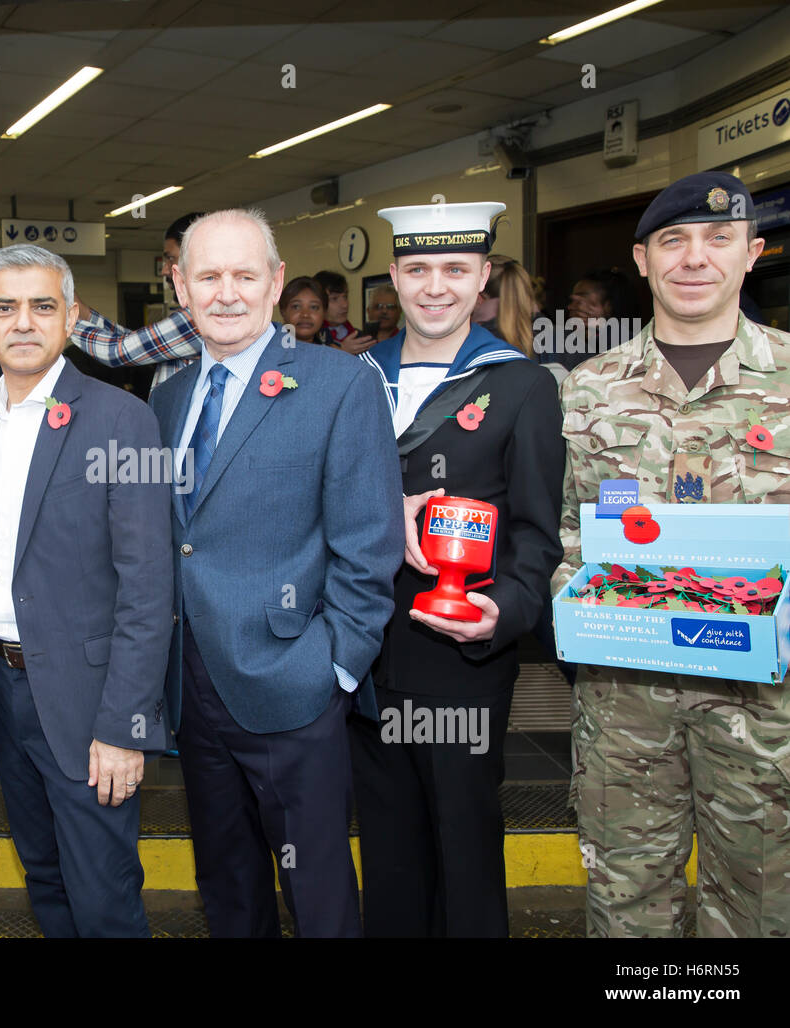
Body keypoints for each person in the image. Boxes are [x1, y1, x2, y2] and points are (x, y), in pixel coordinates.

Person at [150, 209, 403, 937]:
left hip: (294, 687)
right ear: (181, 287)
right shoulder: (168, 397)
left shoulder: (337, 385)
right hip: (192, 688)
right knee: (227, 885)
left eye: (244, 274)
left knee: (318, 894)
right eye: (207, 276)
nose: (226, 293)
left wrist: (335, 667)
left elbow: (369, 542)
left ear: (276, 281)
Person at [555, 170, 790, 938]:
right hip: (626, 702)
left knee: (763, 905)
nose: (696, 258)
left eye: (718, 239)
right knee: (627, 902)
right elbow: (564, 534)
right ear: (644, 260)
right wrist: (576, 601)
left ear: (752, 253)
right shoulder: (589, 391)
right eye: (673, 242)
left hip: (766, 712)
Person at [0, 244, 172, 937]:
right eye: (5, 308)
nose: (23, 322)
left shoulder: (119, 419)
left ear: (70, 318)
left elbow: (149, 587)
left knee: (102, 896)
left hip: (89, 701)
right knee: (43, 876)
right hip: (4, 691)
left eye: (43, 306)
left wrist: (124, 725)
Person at [350, 201, 563, 937]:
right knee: (387, 850)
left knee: (465, 848)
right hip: (360, 653)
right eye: (416, 270)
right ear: (394, 282)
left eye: (454, 270)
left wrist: (505, 609)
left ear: (483, 283)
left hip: (459, 657)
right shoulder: (353, 380)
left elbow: (538, 534)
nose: (434, 286)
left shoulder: (520, 386)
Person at [71, 212, 204, 388]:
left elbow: (118, 352)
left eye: (170, 258)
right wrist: (85, 315)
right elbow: (132, 341)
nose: (164, 270)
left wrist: (68, 319)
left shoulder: (199, 318)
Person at [279, 276, 335, 346]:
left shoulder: (331, 353)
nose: (305, 314)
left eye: (314, 307)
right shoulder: (267, 350)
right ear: (283, 311)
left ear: (324, 312)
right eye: (296, 307)